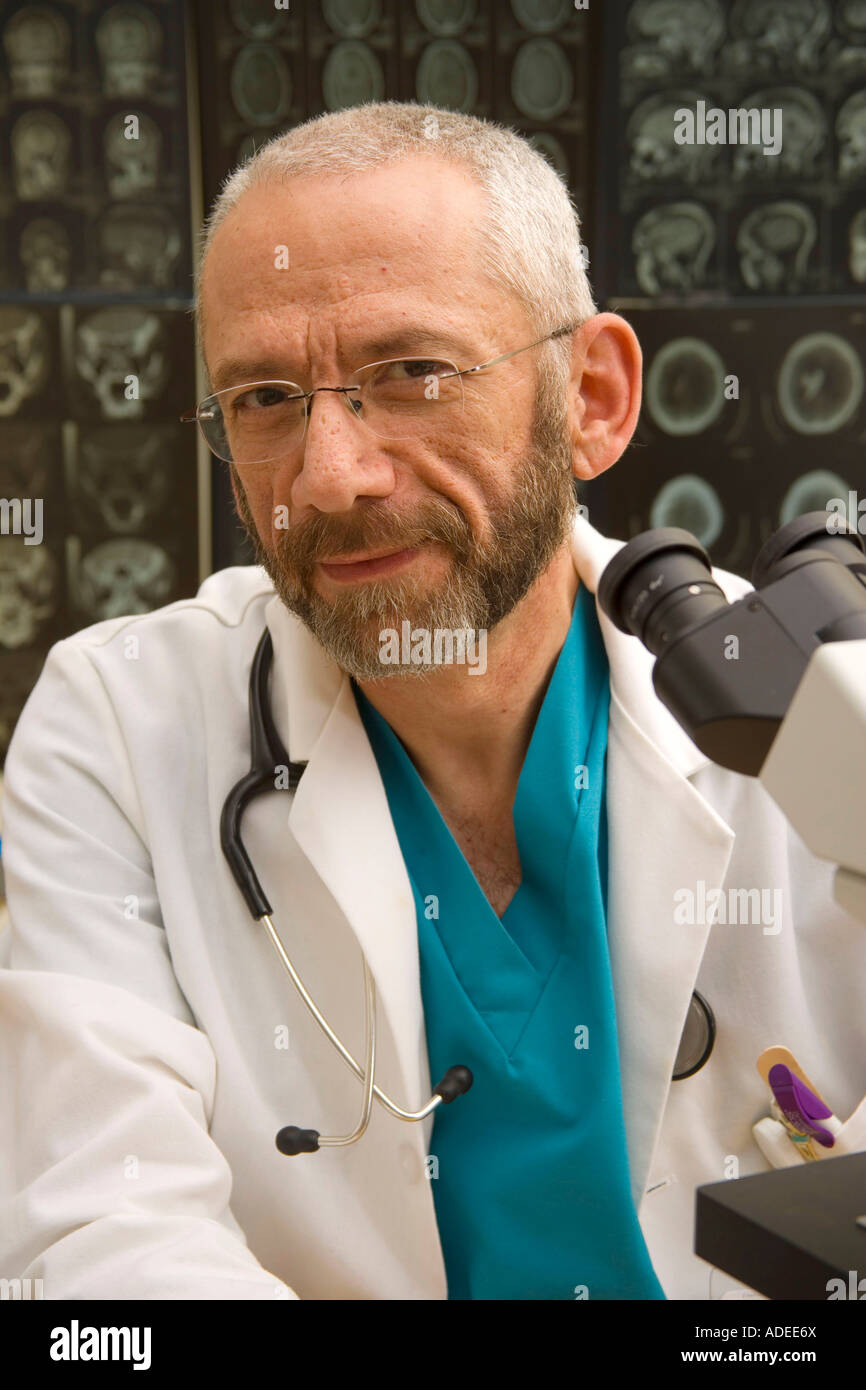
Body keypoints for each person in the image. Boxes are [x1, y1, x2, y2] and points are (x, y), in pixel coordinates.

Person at [1, 102, 864, 1301]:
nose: (328, 478)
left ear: (593, 398)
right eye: (262, 399)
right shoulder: (119, 722)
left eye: (411, 373)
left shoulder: (820, 712)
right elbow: (97, 1238)